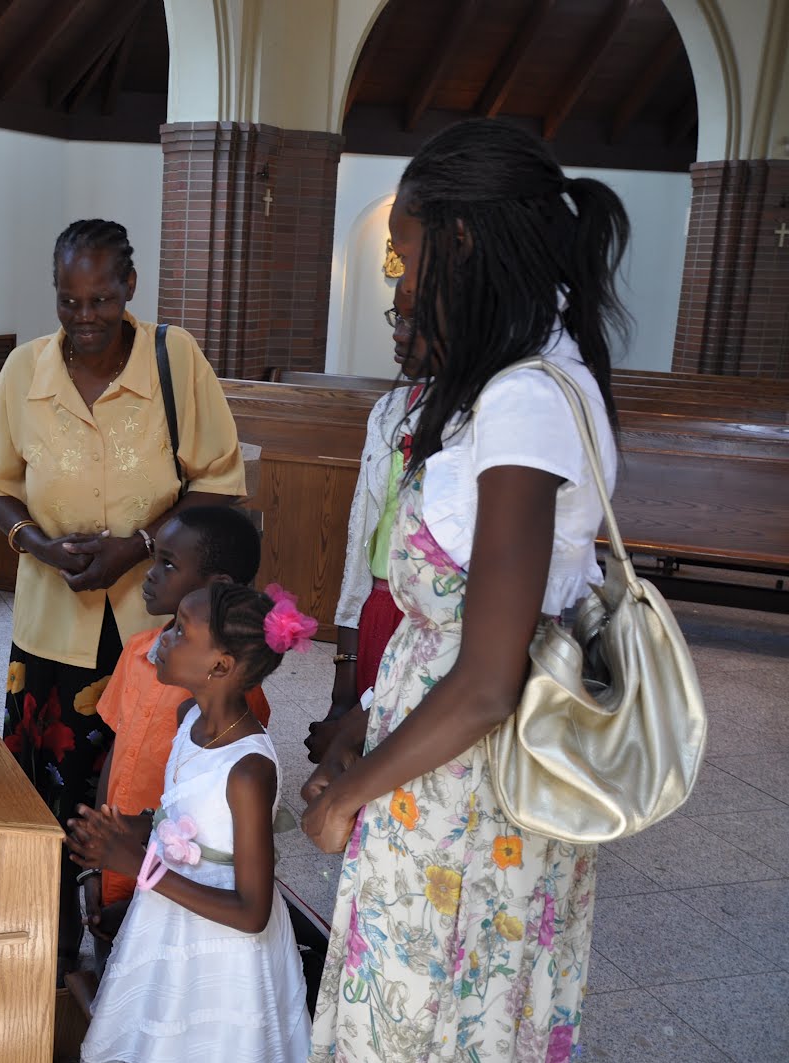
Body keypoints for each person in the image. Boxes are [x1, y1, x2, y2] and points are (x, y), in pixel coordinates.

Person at [301, 119, 628, 1062]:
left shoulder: (526, 399)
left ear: (463, 240)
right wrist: (368, 717)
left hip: (463, 811)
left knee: (429, 1027)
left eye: (406, 255)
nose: (401, 282)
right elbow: (461, 633)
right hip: (433, 772)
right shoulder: (524, 375)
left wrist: (342, 796)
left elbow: (487, 678)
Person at [0, 219, 246, 977]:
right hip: (50, 630)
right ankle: (46, 951)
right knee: (48, 796)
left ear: (129, 287)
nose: (84, 316)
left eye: (99, 297)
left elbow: (218, 480)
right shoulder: (24, 373)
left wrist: (137, 546)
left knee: (144, 792)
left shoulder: (174, 360)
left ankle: (132, 951)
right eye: (68, 300)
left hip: (158, 630)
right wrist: (38, 545)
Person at [67, 582, 315, 1062]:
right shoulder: (190, 719)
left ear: (219, 665)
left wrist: (139, 865)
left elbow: (251, 912)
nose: (163, 638)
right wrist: (128, 832)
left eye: (180, 631)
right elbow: (181, 815)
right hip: (170, 915)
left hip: (226, 951)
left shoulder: (248, 770)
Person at [86, 504, 272, 955]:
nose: (149, 575)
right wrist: (98, 848)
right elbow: (118, 750)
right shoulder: (135, 652)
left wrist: (141, 868)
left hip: (187, 881)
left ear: (217, 586)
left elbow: (217, 822)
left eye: (167, 564)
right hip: (124, 852)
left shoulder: (234, 703)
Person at [305, 282, 425, 762]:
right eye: (397, 316)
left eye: (416, 320)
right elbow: (360, 550)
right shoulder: (390, 411)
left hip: (435, 625)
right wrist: (342, 695)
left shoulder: (483, 421)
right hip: (381, 608)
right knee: (362, 758)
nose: (399, 333)